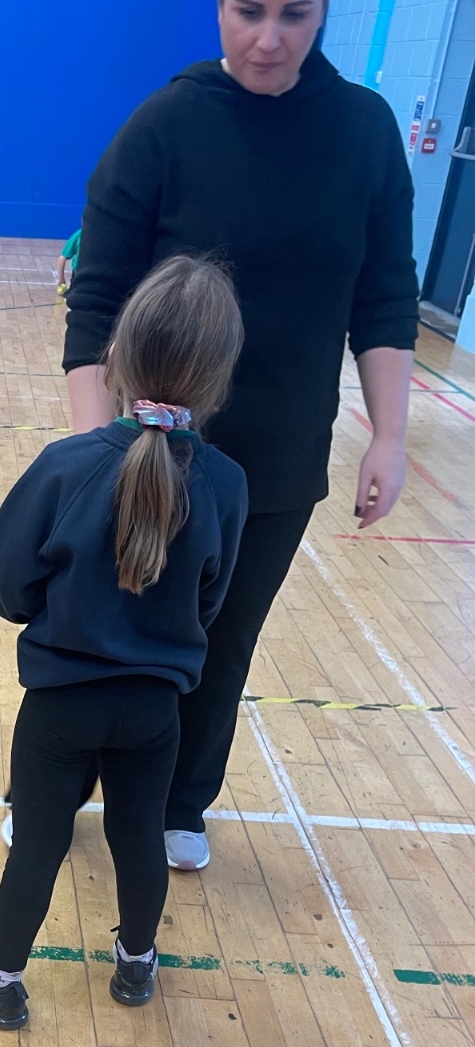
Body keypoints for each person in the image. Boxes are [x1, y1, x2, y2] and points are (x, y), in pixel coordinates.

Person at [63, 0, 418, 873]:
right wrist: (92, 456)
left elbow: (385, 298)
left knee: (221, 646)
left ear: (325, 13)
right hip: (151, 452)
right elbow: (96, 304)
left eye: (295, 14)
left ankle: (180, 803)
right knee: (104, 629)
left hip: (280, 460)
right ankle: (52, 788)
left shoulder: (364, 132)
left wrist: (390, 434)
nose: (269, 38)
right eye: (248, 10)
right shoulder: (164, 126)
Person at [0, 257, 246, 1029]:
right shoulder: (227, 483)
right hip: (155, 711)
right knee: (139, 836)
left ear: (113, 357)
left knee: (40, 843)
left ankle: (0, 978)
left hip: (61, 706)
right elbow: (211, 601)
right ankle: (136, 966)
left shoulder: (68, 465)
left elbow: (5, 581)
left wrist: (50, 610)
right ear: (218, 385)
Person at [57, 229, 81, 295]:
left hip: (78, 274)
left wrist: (61, 279)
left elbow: (62, 258)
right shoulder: (79, 234)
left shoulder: (79, 234)